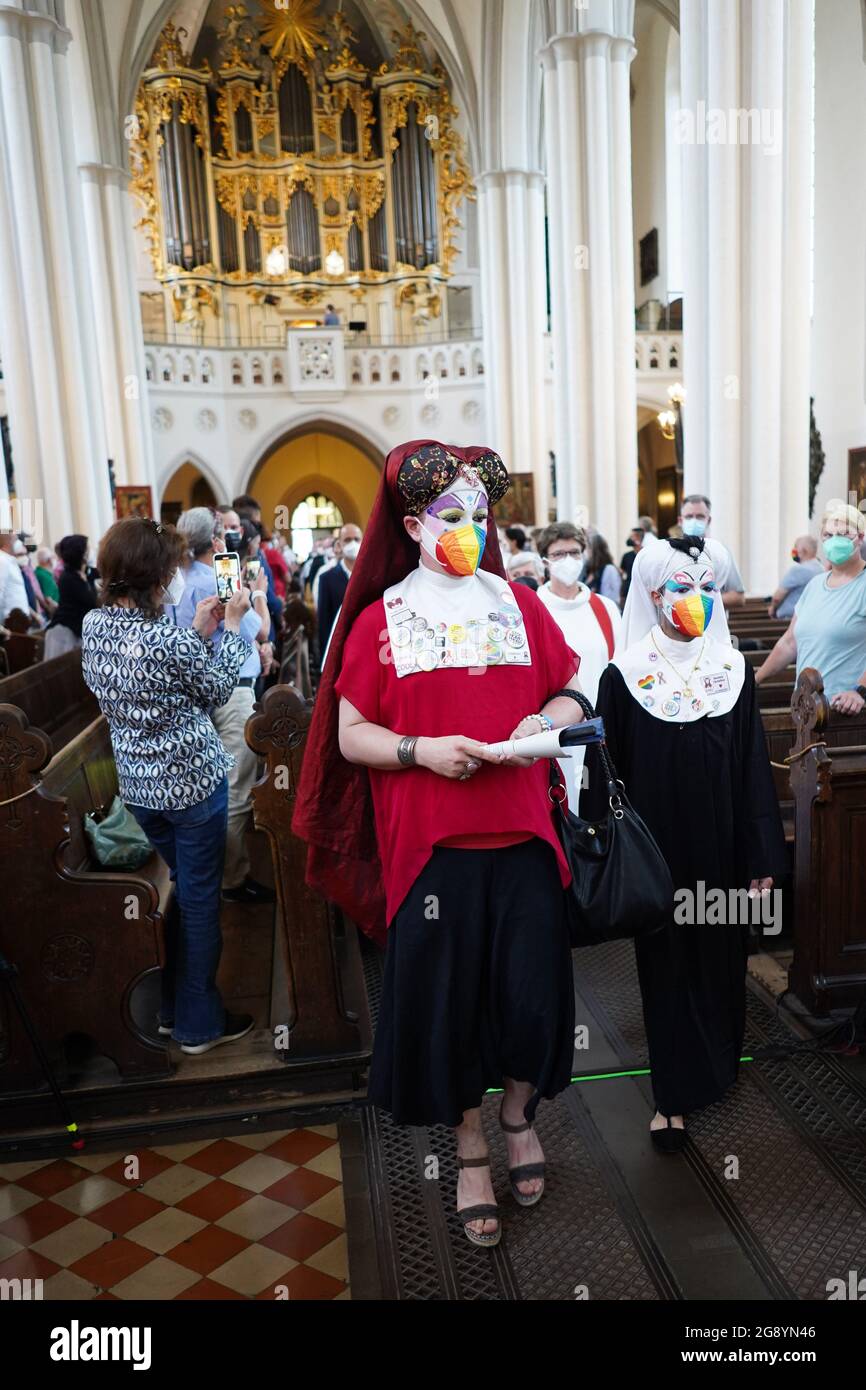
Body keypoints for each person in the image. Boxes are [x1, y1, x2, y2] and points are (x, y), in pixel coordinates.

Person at [293, 439, 583, 1248]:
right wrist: (423, 751)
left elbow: (570, 691)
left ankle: (520, 1116)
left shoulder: (518, 603)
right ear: (416, 524)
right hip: (431, 848)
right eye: (451, 517)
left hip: (524, 836)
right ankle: (469, 1148)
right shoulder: (383, 618)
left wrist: (545, 723)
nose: (469, 529)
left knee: (531, 996)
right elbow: (351, 736)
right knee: (448, 1005)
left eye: (481, 516)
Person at [592, 535, 786, 1152]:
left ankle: (720, 1067)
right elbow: (608, 774)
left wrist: (761, 857)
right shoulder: (624, 678)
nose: (696, 599)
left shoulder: (731, 670)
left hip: (724, 847)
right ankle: (672, 1095)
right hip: (659, 852)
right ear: (654, 595)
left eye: (706, 588)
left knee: (723, 958)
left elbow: (753, 766)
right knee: (669, 968)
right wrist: (611, 855)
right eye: (682, 588)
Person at [81, 517, 256, 1054]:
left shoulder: (94, 626)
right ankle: (199, 1024)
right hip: (192, 789)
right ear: (156, 579)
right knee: (202, 899)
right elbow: (213, 688)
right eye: (171, 570)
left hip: (141, 790)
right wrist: (230, 625)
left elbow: (153, 668)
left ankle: (171, 1008)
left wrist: (198, 633)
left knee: (185, 885)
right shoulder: (163, 640)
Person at [174, 508, 275, 905]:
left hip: (197, 694)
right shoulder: (219, 580)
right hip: (231, 691)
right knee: (236, 787)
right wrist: (257, 592)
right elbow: (258, 630)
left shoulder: (176, 582)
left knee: (217, 786)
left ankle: (223, 874)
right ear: (215, 540)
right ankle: (232, 880)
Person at [536, 522, 621, 807]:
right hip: (553, 735)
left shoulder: (605, 608)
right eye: (559, 554)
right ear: (545, 560)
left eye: (574, 552)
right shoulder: (534, 607)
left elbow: (619, 665)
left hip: (601, 733)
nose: (568, 560)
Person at [755, 503, 866, 712]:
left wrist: (859, 691)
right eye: (828, 535)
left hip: (846, 711)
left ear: (859, 537)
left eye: (842, 534)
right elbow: (789, 643)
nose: (834, 541)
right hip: (805, 709)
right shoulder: (815, 584)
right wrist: (756, 680)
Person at [678, 494, 746, 609]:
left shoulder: (720, 552)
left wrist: (700, 601)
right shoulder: (670, 552)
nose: (694, 521)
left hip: (714, 624)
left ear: (708, 520)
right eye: (689, 517)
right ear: (680, 520)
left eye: (699, 517)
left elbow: (738, 597)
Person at [44, 534, 98, 660]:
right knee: (61, 673)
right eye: (88, 549)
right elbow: (90, 601)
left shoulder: (85, 572)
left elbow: (105, 574)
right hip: (64, 632)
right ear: (81, 553)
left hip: (78, 630)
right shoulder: (68, 577)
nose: (90, 552)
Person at [317, 523, 362, 654]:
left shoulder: (371, 575)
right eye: (347, 540)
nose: (352, 543)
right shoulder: (326, 578)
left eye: (356, 539)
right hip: (341, 648)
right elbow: (324, 623)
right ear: (339, 544)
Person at [767, 535, 823, 619]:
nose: (794, 550)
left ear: (804, 551)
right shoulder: (821, 569)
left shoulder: (798, 570)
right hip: (811, 617)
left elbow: (778, 596)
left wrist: (773, 608)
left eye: (796, 547)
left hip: (789, 619)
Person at [582, 531, 622, 606]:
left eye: (587, 548)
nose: (585, 551)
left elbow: (613, 598)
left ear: (594, 550)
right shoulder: (588, 569)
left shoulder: (609, 569)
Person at [0, 530, 31, 624]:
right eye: (16, 539)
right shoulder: (2, 561)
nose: (20, 543)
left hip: (20, 622)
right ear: (7, 542)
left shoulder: (10, 561)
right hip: (10, 623)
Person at [620, 526, 645, 604]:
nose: (629, 538)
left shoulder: (645, 554)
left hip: (641, 591)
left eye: (632, 536)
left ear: (638, 538)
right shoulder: (626, 556)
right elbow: (622, 571)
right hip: (627, 590)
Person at [34, 545, 60, 611]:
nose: (54, 559)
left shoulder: (38, 571)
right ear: (49, 560)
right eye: (53, 557)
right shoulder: (44, 575)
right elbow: (48, 599)